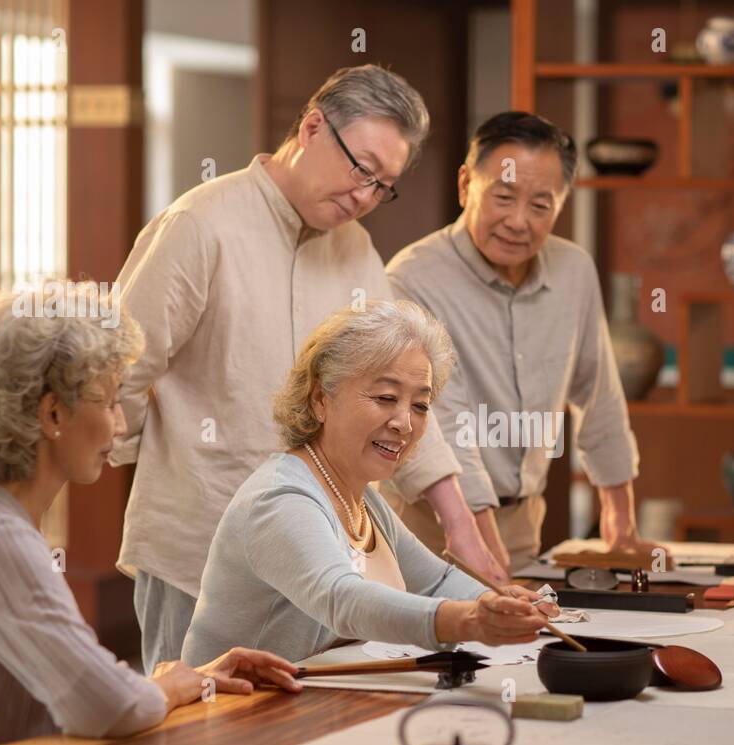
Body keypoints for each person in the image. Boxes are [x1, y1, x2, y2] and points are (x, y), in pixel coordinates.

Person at [112, 64, 504, 673]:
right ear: (314, 126)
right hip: (198, 538)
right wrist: (176, 455)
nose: (365, 196)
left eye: (384, 186)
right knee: (190, 731)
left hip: (324, 546)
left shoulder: (356, 250)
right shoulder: (201, 224)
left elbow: (402, 387)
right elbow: (118, 371)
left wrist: (461, 524)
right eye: (360, 169)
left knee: (298, 723)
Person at [0, 285, 300, 745]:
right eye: (109, 402)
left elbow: (92, 690)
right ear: (52, 412)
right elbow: (109, 707)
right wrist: (168, 686)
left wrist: (189, 677)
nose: (120, 426)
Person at [182, 300, 557, 667]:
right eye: (386, 398)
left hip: (313, 706)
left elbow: (434, 582)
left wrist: (503, 604)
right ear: (319, 400)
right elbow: (342, 598)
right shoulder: (280, 499)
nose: (404, 423)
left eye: (420, 406)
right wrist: (469, 621)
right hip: (241, 714)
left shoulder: (360, 495)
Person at [385, 111, 654, 571]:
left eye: (540, 205)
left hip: (524, 522)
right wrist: (482, 544)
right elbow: (446, 422)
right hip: (429, 525)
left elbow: (599, 393)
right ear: (466, 184)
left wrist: (620, 523)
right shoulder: (412, 278)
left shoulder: (574, 270)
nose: (518, 221)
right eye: (503, 197)